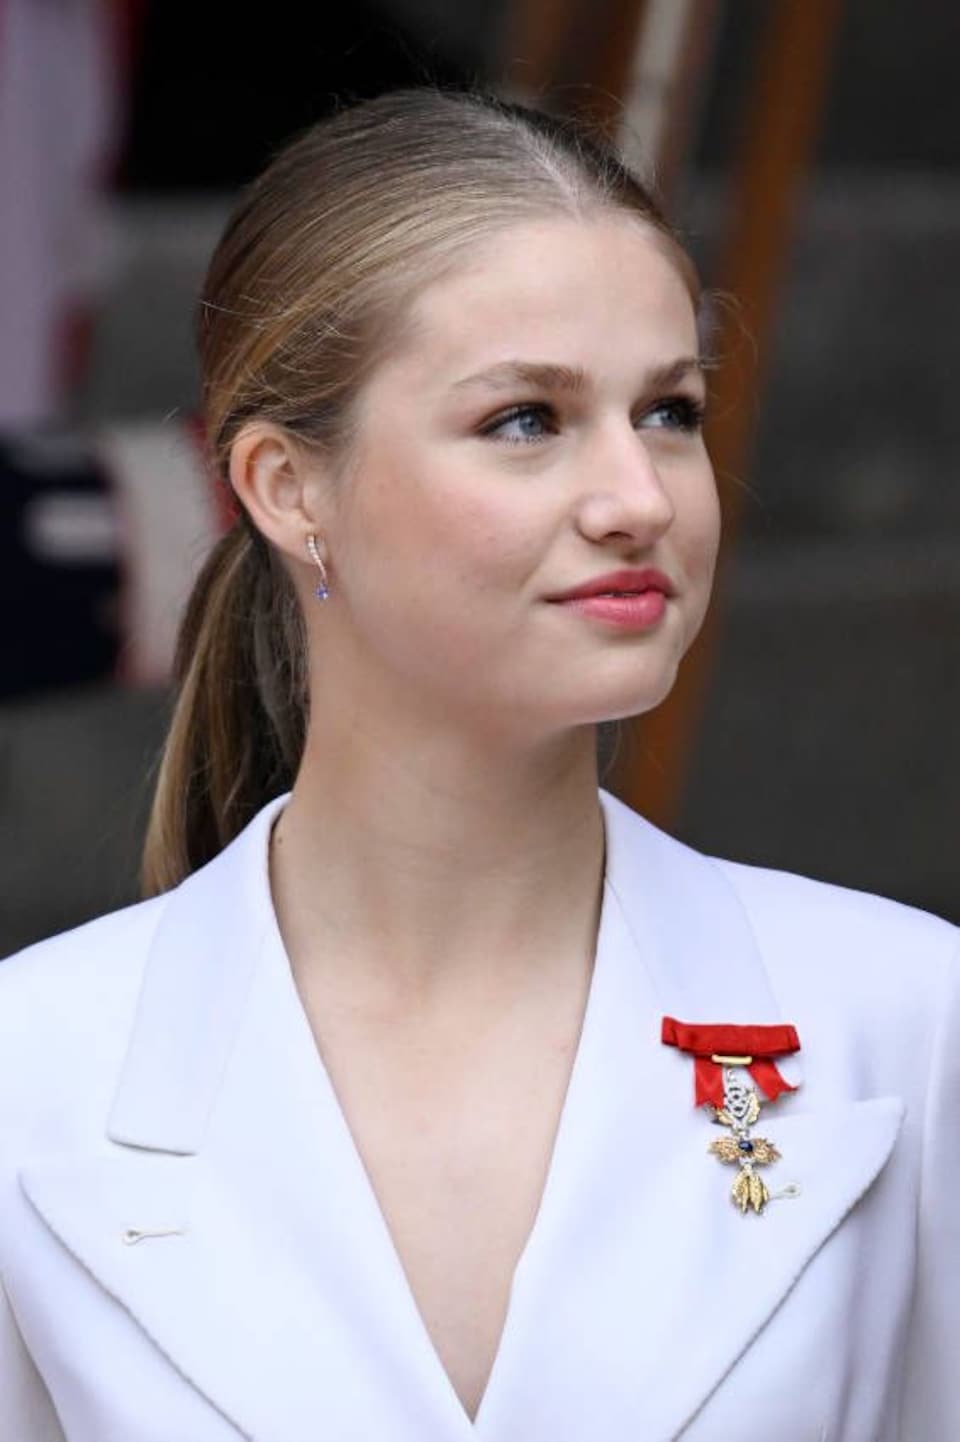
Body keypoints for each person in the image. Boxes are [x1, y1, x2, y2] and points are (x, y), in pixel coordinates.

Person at [0, 89, 956, 1442]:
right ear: (285, 488)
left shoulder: (905, 1016)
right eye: (526, 419)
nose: (638, 496)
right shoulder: (29, 1069)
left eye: (669, 410)